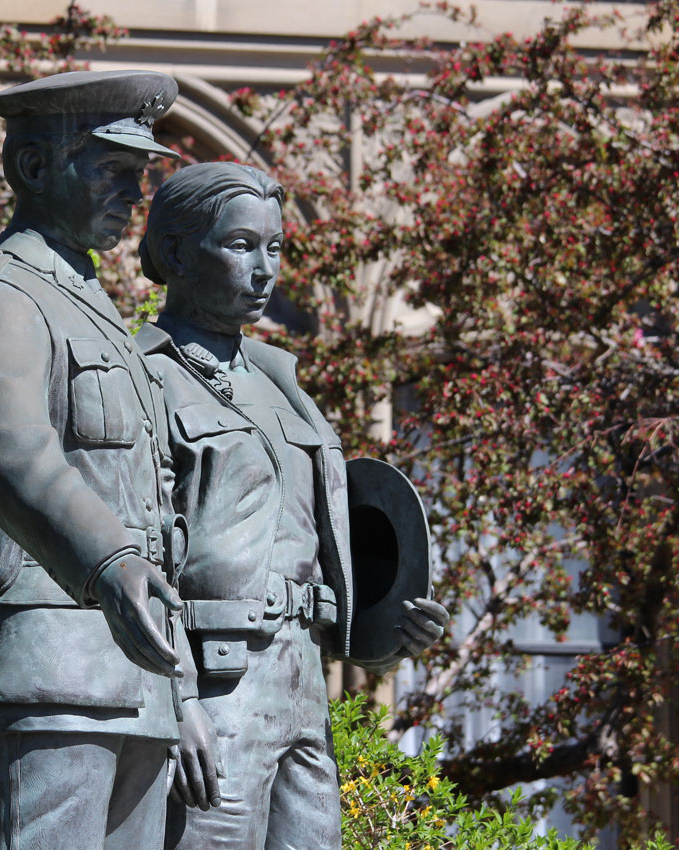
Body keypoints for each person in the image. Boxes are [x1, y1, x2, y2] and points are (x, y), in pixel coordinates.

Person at [135, 162, 450, 850]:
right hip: (217, 685)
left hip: (304, 685)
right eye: (242, 245)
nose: (265, 269)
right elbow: (137, 552)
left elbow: (318, 539)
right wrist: (177, 699)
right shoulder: (142, 379)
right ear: (178, 252)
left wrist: (389, 629)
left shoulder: (285, 385)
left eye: (275, 248)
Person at [0, 70, 197, 850]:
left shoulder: (101, 317)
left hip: (139, 681)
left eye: (143, 175)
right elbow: (15, 454)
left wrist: (182, 693)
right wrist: (112, 562)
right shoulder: (1, 300)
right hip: (47, 676)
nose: (135, 193)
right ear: (36, 169)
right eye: (114, 170)